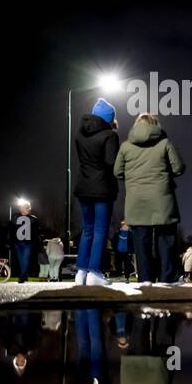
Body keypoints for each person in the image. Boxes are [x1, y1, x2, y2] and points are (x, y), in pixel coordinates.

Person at [114, 113, 186, 286]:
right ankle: (166, 278)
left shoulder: (126, 146)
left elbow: (117, 172)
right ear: (155, 125)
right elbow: (179, 168)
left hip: (137, 200)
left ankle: (145, 278)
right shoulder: (164, 143)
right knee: (166, 239)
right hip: (162, 198)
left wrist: (133, 178)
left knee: (141, 241)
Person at [72, 98, 120, 286]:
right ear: (109, 118)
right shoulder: (109, 135)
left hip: (83, 186)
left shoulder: (79, 133)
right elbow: (111, 163)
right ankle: (94, 272)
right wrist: (114, 134)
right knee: (100, 230)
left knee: (88, 229)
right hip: (102, 188)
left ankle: (81, 272)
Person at [8, 200, 40, 283]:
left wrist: (37, 243)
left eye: (29, 207)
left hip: (28, 242)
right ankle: (24, 274)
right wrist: (9, 241)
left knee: (25, 258)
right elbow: (11, 230)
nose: (28, 209)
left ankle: (22, 275)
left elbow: (37, 233)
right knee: (21, 259)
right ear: (21, 208)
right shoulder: (15, 217)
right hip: (17, 242)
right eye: (26, 207)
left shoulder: (33, 219)